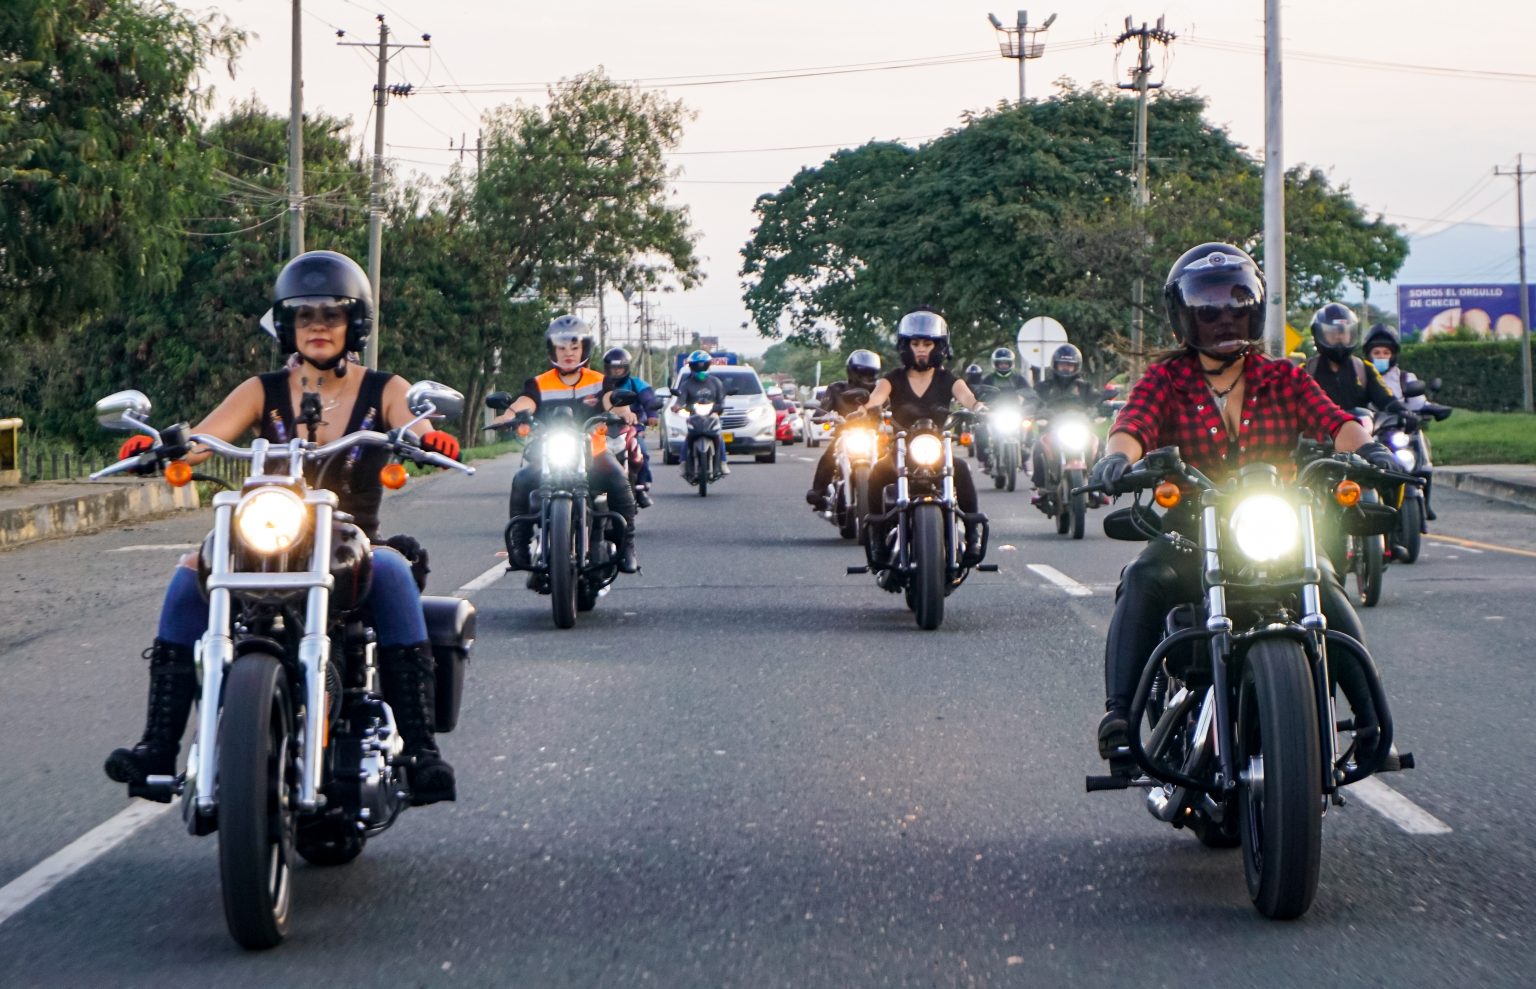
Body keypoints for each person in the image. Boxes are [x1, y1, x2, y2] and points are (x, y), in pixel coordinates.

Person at [104, 250, 460, 805]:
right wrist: (158, 446)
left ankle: (420, 751)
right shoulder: (261, 389)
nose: (318, 325)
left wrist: (428, 439)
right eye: (304, 315)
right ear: (287, 325)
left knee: (391, 569)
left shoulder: (385, 388)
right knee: (191, 570)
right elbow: (202, 439)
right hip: (268, 534)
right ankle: (157, 746)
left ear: (354, 323)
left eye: (331, 314)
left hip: (350, 540)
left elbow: (413, 425)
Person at [1089, 243, 1404, 772]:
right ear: (1184, 317)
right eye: (1208, 307)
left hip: (1274, 526)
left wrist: (1371, 451)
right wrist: (1117, 458)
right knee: (1142, 577)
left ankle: (1374, 725)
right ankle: (1120, 718)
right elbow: (1133, 425)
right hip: (1193, 531)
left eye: (1236, 304)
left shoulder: (1283, 377)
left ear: (1253, 310)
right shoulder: (1166, 381)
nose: (1224, 317)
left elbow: (1335, 422)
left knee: (1326, 585)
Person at [493, 316, 640, 574]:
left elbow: (611, 400)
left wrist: (624, 411)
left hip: (593, 452)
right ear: (553, 350)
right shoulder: (539, 383)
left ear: (584, 349)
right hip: (549, 453)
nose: (568, 353)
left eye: (574, 347)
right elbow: (525, 402)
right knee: (522, 480)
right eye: (561, 348)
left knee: (620, 480)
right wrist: (508, 415)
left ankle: (626, 546)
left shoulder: (598, 381)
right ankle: (519, 548)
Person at [860, 309, 988, 568]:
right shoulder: (892, 379)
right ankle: (877, 538)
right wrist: (866, 409)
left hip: (937, 452)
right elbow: (876, 398)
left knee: (962, 470)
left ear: (938, 347)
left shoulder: (948, 379)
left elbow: (968, 398)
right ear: (905, 346)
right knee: (876, 475)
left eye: (927, 344)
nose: (920, 349)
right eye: (915, 343)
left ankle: (972, 534)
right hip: (902, 452)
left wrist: (980, 408)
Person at [1363, 324, 1452, 520]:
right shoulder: (1361, 376)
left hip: (1398, 430)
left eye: (1385, 352)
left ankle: (1425, 502)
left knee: (1421, 446)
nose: (1381, 356)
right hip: (1369, 433)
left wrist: (1432, 409)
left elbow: (1418, 402)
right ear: (1368, 354)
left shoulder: (1404, 378)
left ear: (1393, 355)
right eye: (1376, 352)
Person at [1304, 303, 1420, 430]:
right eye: (1332, 333)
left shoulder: (1364, 368)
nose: (1339, 337)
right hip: (1316, 438)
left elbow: (1384, 398)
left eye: (1343, 333)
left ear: (1352, 334)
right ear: (1319, 335)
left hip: (1358, 435)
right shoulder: (1305, 371)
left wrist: (1402, 411)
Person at [805, 349, 882, 510]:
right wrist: (822, 415)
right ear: (852, 372)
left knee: (892, 458)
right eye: (862, 374)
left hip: (875, 436)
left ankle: (900, 492)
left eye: (870, 375)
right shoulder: (836, 389)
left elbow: (893, 408)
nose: (866, 379)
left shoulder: (880, 391)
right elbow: (822, 410)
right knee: (829, 456)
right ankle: (818, 492)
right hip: (845, 435)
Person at [1029, 343, 1101, 499]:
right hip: (1052, 428)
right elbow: (1033, 401)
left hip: (1079, 427)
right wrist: (1036, 412)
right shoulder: (1044, 387)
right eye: (1062, 364)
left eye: (1069, 365)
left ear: (1076, 366)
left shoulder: (1085, 387)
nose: (1066, 368)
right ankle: (1040, 487)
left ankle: (1098, 484)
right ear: (1055, 365)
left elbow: (1097, 402)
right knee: (1038, 447)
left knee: (1098, 444)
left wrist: (1101, 409)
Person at [600, 346, 658, 508]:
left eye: (620, 367)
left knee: (642, 451)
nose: (616, 371)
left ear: (626, 368)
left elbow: (649, 399)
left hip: (631, 428)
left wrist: (652, 415)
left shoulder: (636, 383)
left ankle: (641, 487)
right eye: (613, 368)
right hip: (602, 430)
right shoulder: (599, 384)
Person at [670, 349, 730, 476]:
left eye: (703, 365)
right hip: (694, 416)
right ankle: (683, 462)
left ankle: (723, 462)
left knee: (719, 436)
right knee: (689, 437)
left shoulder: (716, 382)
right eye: (697, 366)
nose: (700, 368)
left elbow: (721, 400)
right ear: (691, 367)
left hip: (712, 415)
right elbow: (680, 400)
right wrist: (676, 407)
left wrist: (719, 407)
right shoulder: (686, 384)